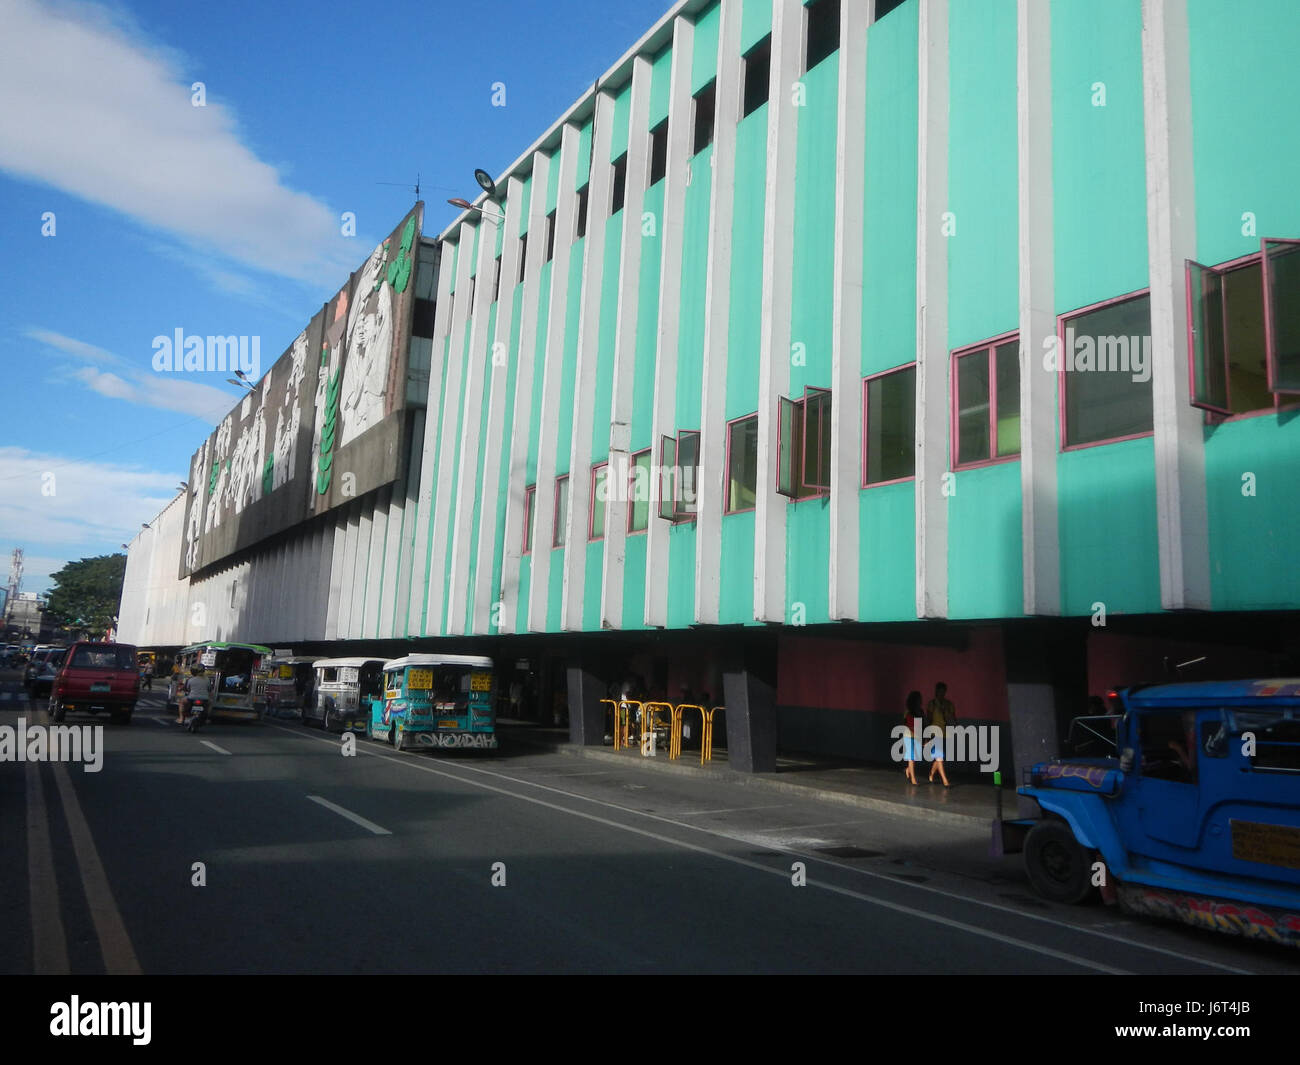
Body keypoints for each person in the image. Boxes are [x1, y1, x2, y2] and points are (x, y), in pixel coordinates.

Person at [926, 681, 956, 786]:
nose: (942, 693)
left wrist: (956, 728)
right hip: (935, 733)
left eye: (944, 691)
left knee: (940, 757)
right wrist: (927, 735)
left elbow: (953, 718)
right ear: (936, 691)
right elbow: (929, 719)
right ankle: (945, 780)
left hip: (946, 733)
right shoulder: (932, 704)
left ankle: (931, 774)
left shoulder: (949, 704)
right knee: (940, 757)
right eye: (940, 691)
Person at [902, 691, 924, 785]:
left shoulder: (920, 711)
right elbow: (905, 724)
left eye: (920, 699)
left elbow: (922, 724)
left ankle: (908, 770)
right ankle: (913, 779)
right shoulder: (908, 712)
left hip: (917, 736)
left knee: (915, 757)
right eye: (918, 699)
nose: (919, 701)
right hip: (908, 736)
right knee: (912, 758)